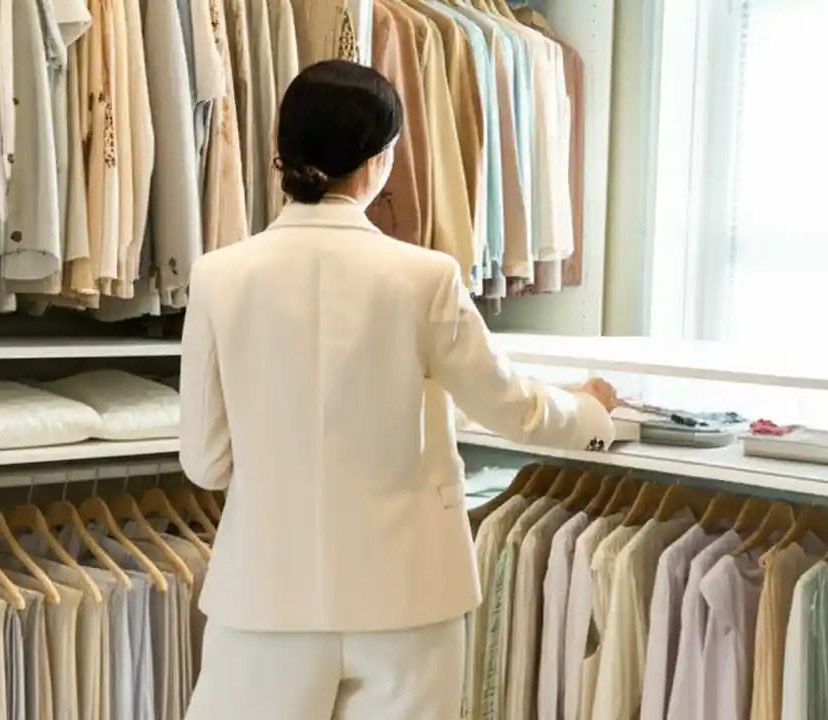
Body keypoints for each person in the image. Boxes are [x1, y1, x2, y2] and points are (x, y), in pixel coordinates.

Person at [180, 60, 618, 720]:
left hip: (265, 597)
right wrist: (589, 411)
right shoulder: (424, 277)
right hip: (409, 597)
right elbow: (509, 406)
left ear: (281, 155)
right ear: (380, 161)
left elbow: (205, 463)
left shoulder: (219, 277)